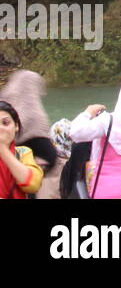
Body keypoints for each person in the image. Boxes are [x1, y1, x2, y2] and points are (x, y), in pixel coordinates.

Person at [0, 69, 60, 198]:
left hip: (28, 165)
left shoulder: (9, 103)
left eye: (5, 123)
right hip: (41, 162)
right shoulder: (35, 112)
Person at [0, 101, 44, 198]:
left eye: (5, 123)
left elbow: (33, 184)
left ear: (16, 126)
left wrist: (2, 149)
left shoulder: (23, 152)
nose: (1, 128)